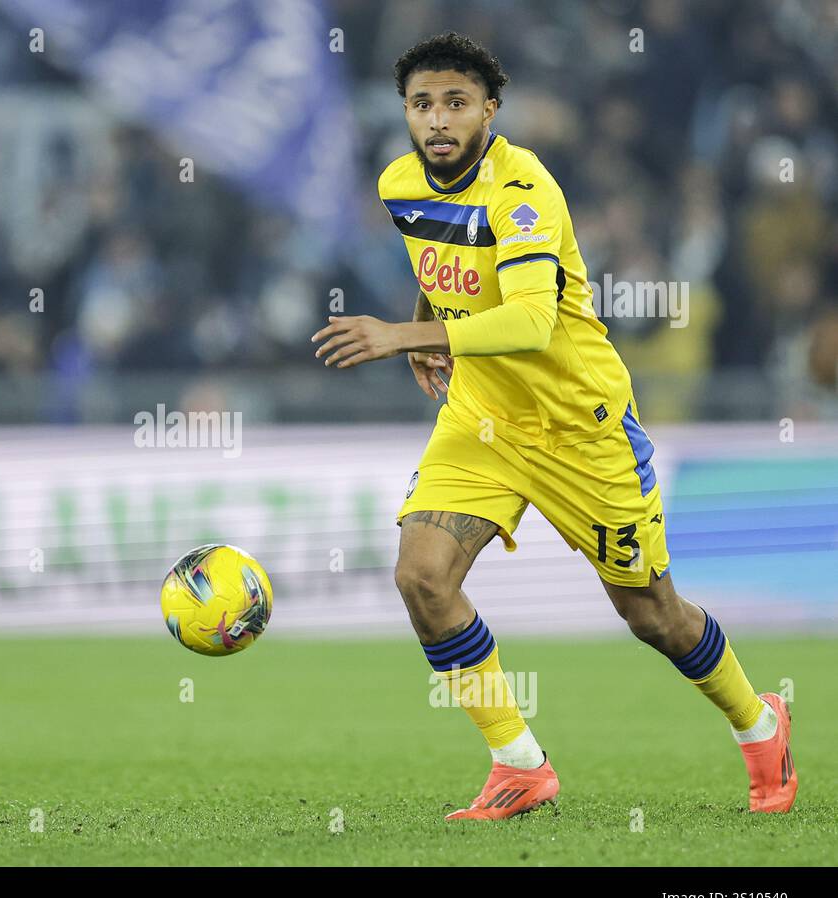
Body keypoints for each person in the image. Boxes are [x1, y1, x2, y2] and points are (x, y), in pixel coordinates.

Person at [312, 32, 796, 820]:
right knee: (422, 577)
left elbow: (534, 320)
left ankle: (759, 721)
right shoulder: (400, 183)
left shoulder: (525, 188)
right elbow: (441, 262)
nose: (437, 119)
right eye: (422, 103)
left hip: (581, 427)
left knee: (652, 616)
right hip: (483, 418)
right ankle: (519, 764)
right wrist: (423, 319)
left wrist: (404, 337)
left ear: (489, 111)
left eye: (456, 103)